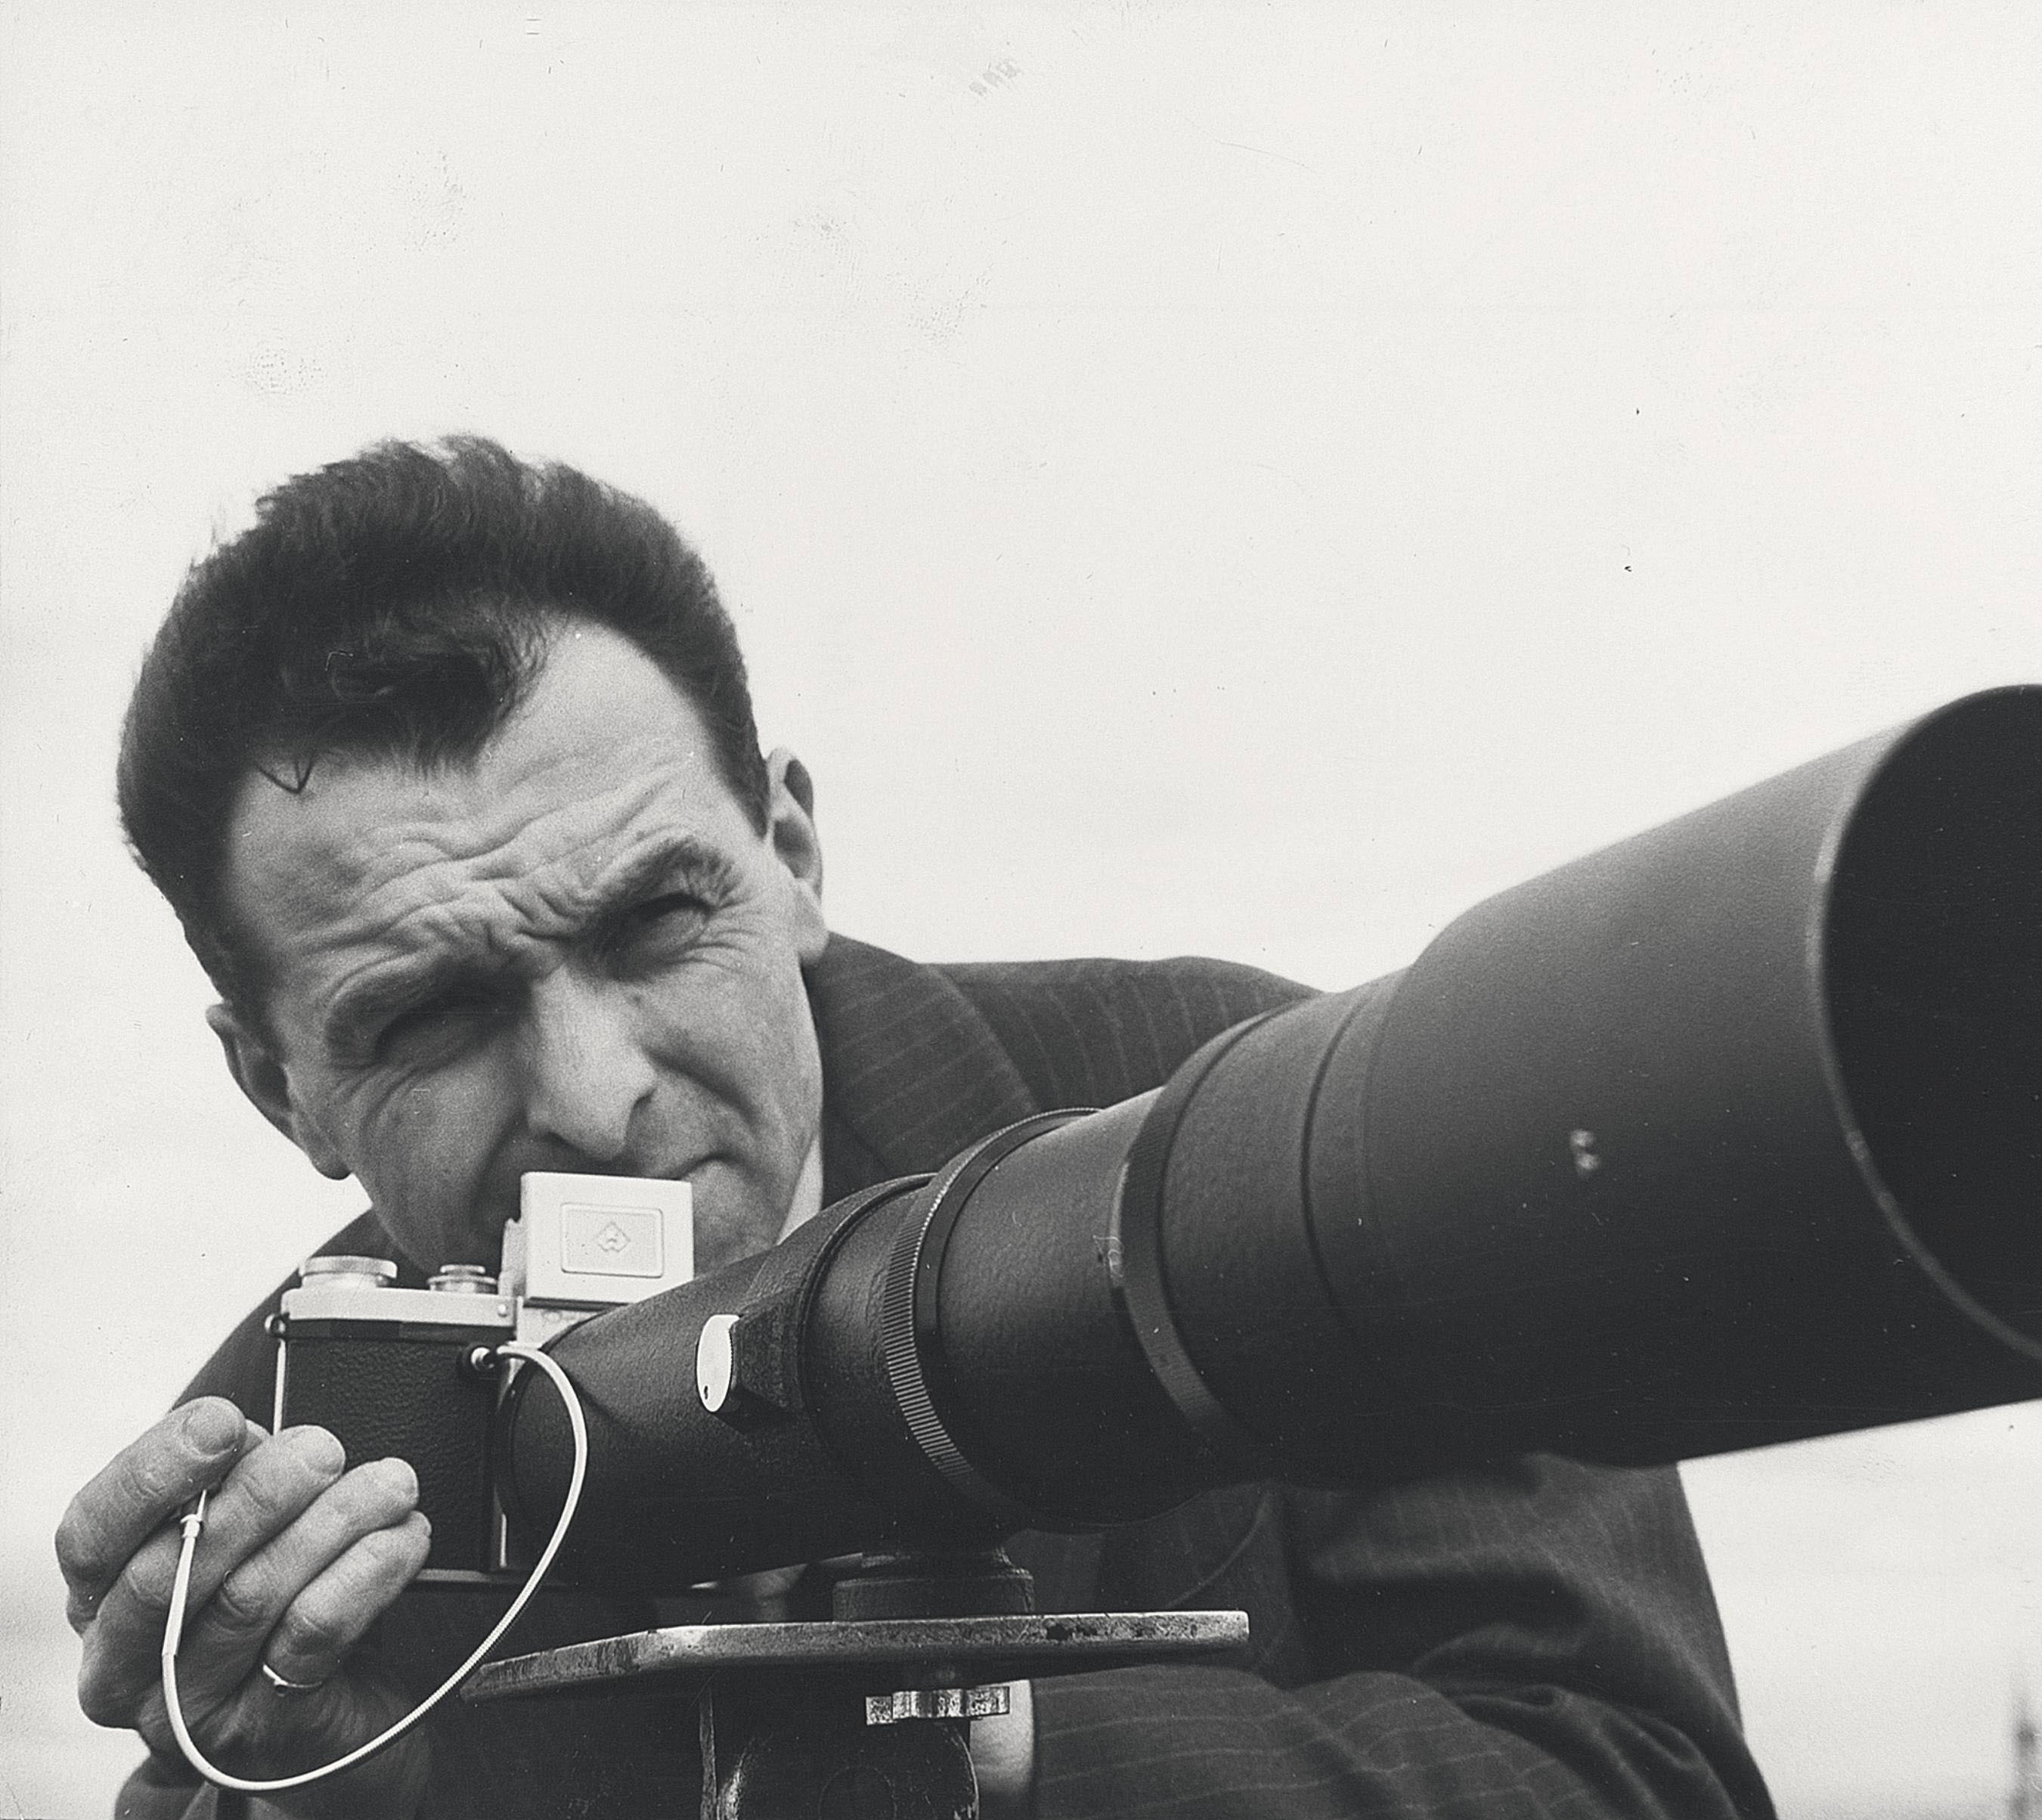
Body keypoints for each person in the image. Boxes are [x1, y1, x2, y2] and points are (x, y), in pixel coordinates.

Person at [57, 439, 1776, 1820]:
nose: (596, 1096)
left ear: (792, 853)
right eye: (428, 1017)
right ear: (278, 1086)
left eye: (658, 922)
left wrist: (948, 1759)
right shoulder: (290, 1445)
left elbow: (1644, 1779)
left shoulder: (1235, 1102)